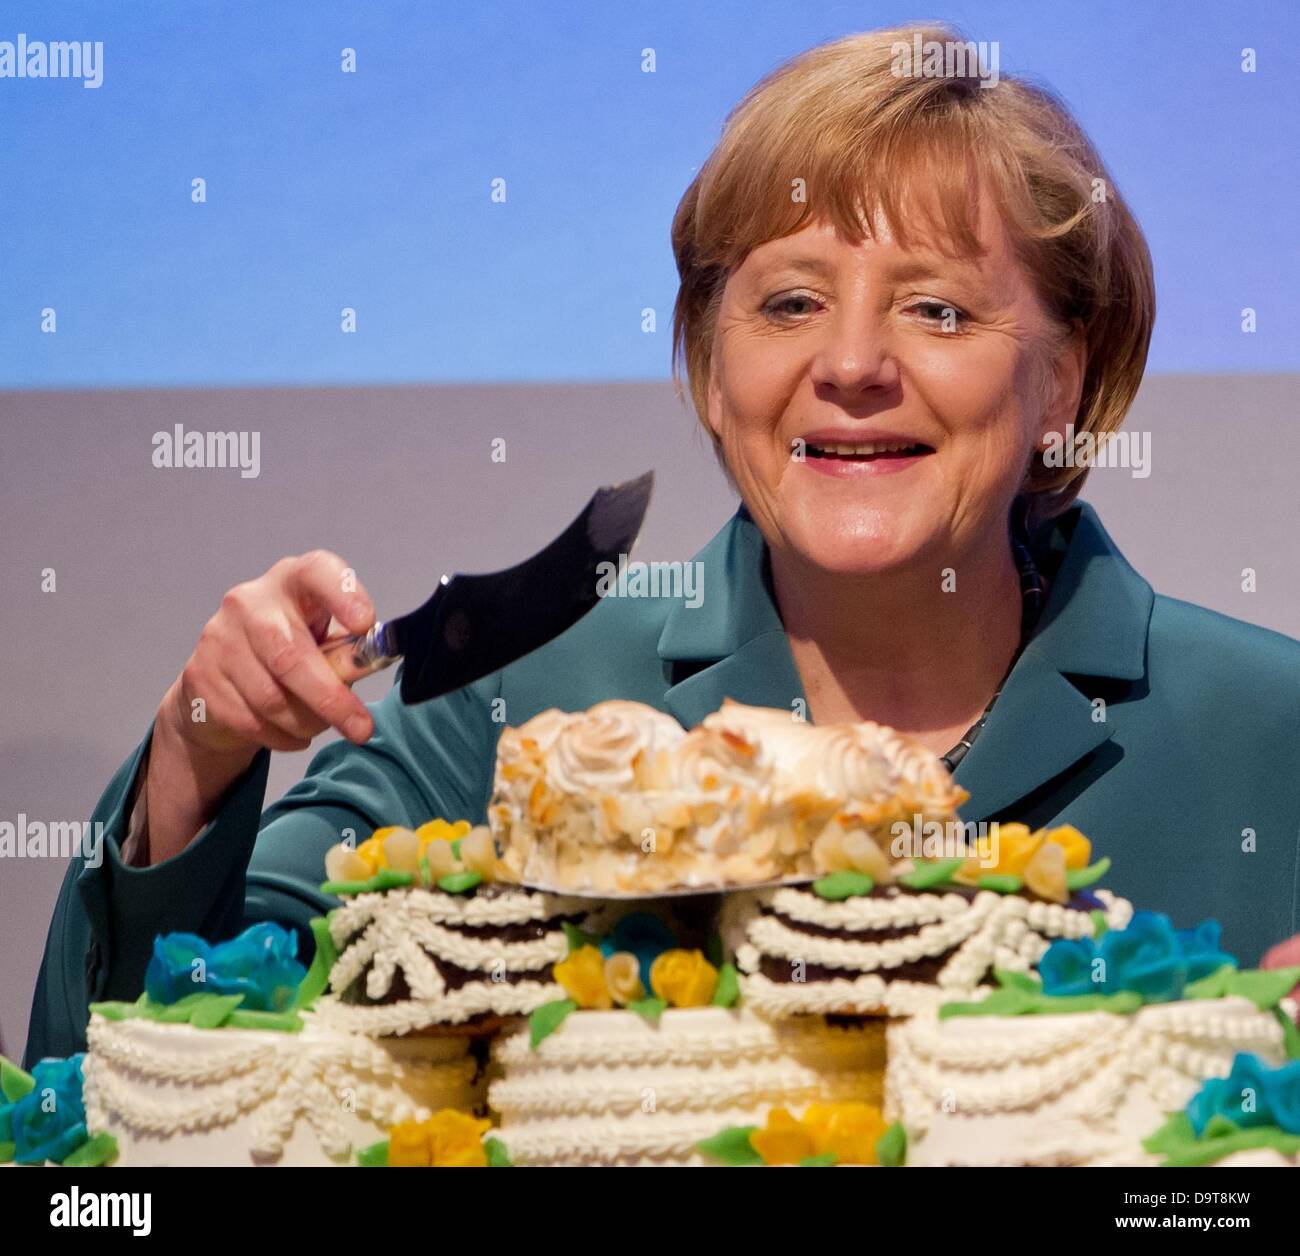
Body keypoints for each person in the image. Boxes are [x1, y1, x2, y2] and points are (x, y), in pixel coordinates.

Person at [25, 25, 1300, 1065]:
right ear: (707, 364)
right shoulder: (514, 704)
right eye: (789, 302)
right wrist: (198, 750)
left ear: (1063, 380)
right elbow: (132, 1081)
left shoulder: (1269, 729)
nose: (850, 365)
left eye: (937, 307)